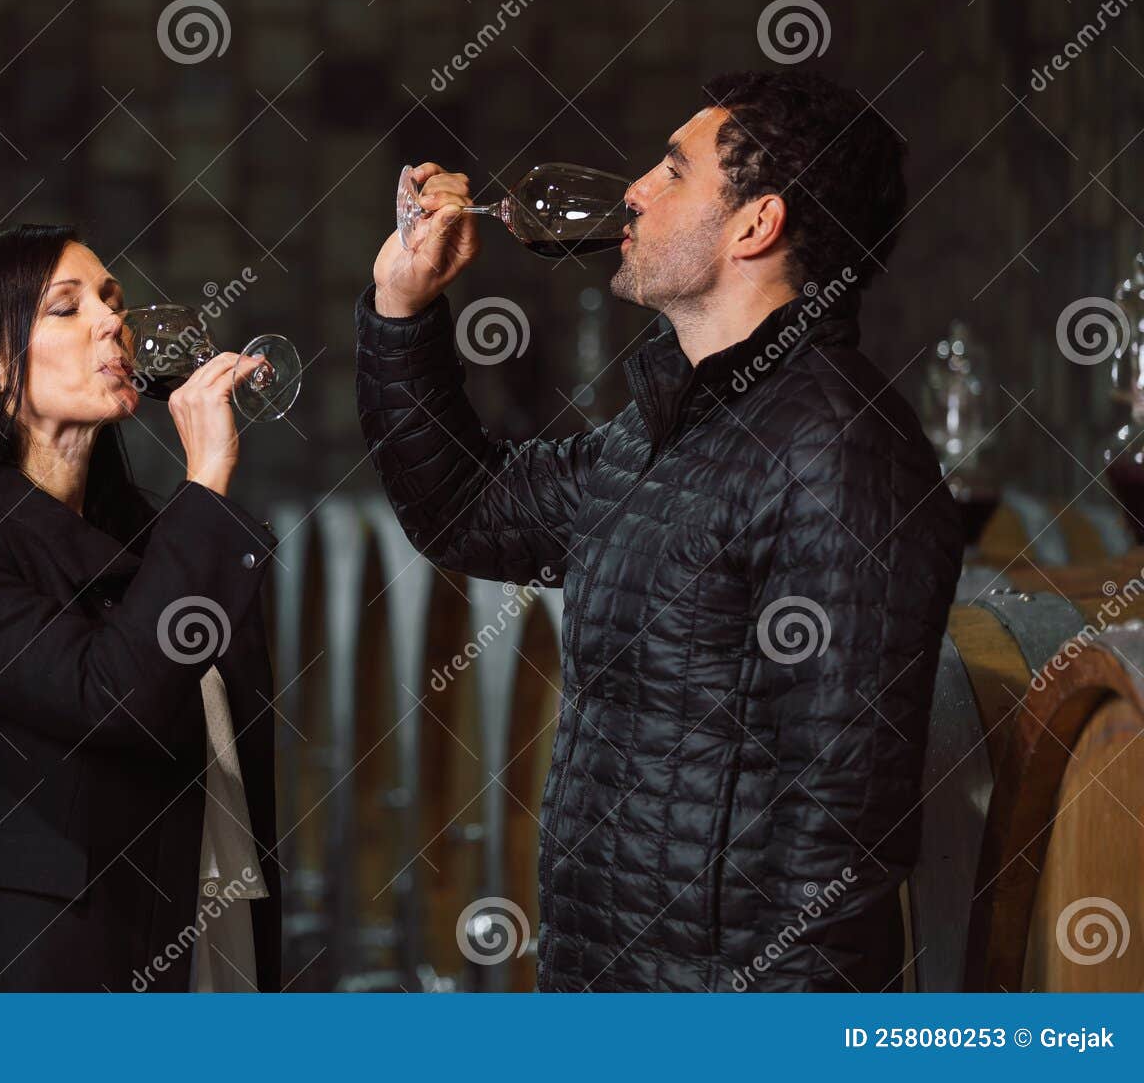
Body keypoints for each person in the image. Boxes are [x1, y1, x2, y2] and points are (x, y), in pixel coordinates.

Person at [356, 69, 964, 990]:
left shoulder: (843, 451)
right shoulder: (663, 425)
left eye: (674, 172)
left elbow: (840, 833)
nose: (635, 188)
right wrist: (404, 312)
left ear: (755, 225)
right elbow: (469, 512)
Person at [0, 223, 281, 991]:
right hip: (55, 966)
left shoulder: (155, 537)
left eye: (112, 300)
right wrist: (208, 478)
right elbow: (113, 698)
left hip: (207, 937)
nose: (112, 321)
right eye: (67, 308)